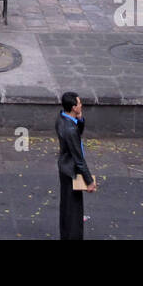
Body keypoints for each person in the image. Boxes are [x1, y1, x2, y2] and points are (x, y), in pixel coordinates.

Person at [56, 92, 96, 240]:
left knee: (67, 206)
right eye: (79, 104)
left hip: (64, 166)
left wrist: (80, 120)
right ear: (74, 107)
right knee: (74, 210)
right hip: (71, 170)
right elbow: (79, 159)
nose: (81, 105)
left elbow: (77, 132)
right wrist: (89, 181)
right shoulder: (70, 130)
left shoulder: (62, 118)